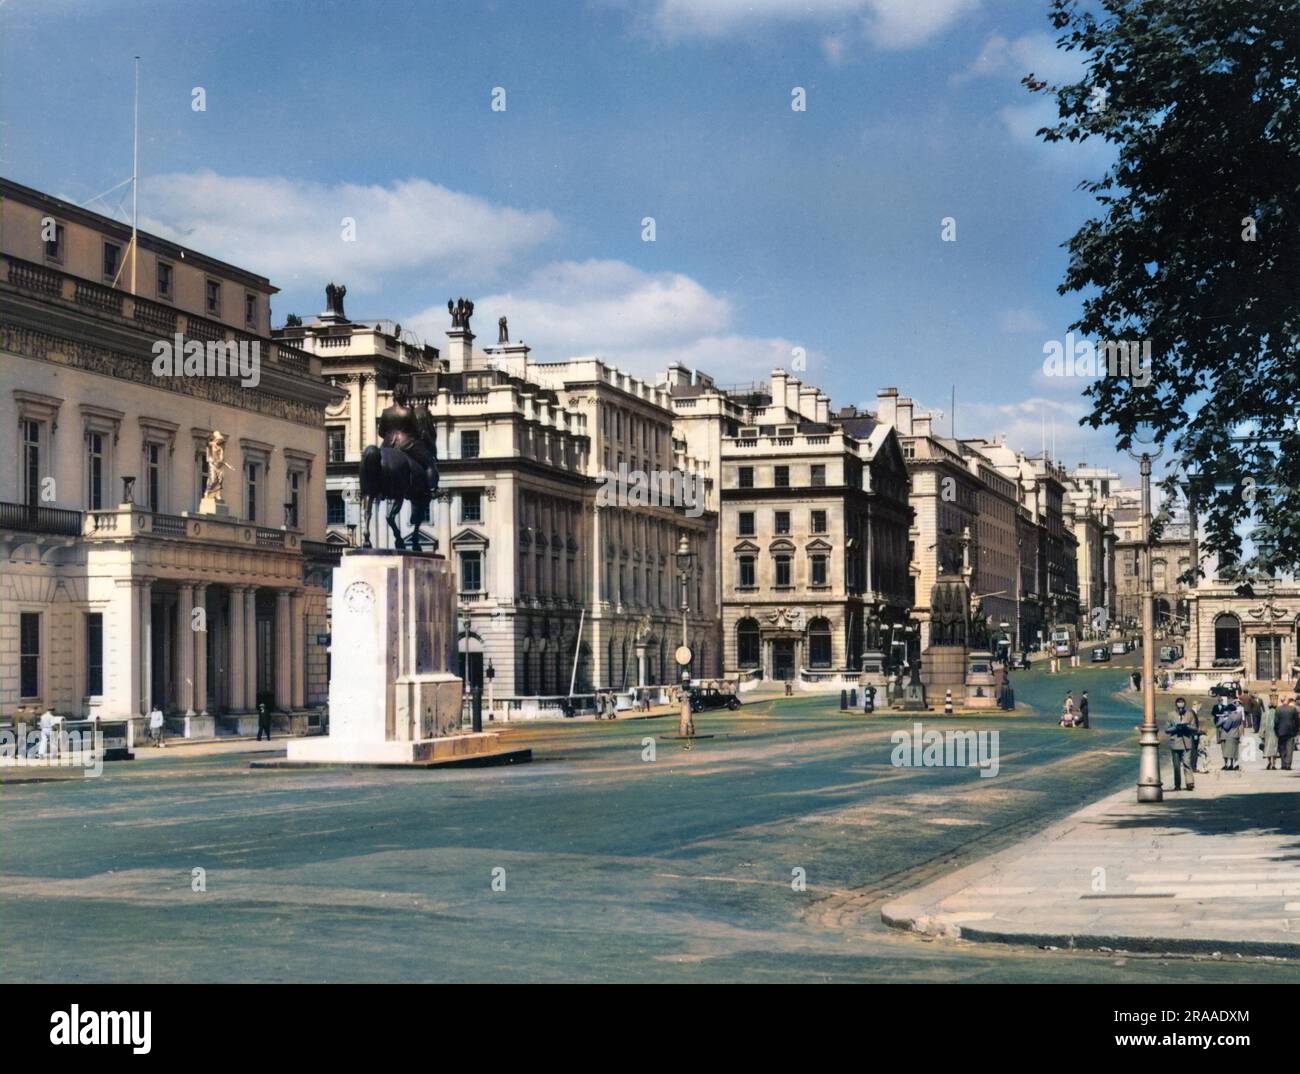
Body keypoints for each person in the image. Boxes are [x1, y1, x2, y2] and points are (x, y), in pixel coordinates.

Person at [1165, 697, 1198, 791]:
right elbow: (1167, 729)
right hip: (1175, 742)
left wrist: (1187, 727)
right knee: (1176, 765)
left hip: (1186, 742)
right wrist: (1176, 728)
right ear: (1176, 705)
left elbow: (1195, 728)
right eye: (1179, 706)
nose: (1181, 709)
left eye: (1182, 706)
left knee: (1187, 763)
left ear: (1185, 705)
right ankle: (1177, 784)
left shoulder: (1190, 714)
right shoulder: (1170, 715)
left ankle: (1189, 783)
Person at [1215, 699, 1243, 771]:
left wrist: (1223, 720)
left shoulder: (1229, 717)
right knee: (1234, 750)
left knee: (1227, 751)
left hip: (1226, 735)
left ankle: (1228, 765)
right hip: (1236, 734)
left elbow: (1225, 726)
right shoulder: (1239, 715)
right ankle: (1234, 764)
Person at [1274, 696, 1298, 771]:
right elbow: (1297, 721)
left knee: (1282, 748)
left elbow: (1276, 722)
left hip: (1281, 731)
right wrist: (1296, 730)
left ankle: (1283, 764)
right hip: (1291, 731)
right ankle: (1288, 764)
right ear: (1287, 701)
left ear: (1282, 701)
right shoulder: (1293, 709)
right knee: (1289, 748)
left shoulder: (1278, 709)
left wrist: (1276, 730)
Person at [1263, 696, 1281, 770]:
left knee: (1267, 747)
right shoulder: (1277, 713)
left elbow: (1262, 725)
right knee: (1275, 748)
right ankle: (1273, 764)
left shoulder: (1265, 714)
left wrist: (1261, 734)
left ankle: (1269, 761)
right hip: (1275, 733)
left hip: (1267, 733)